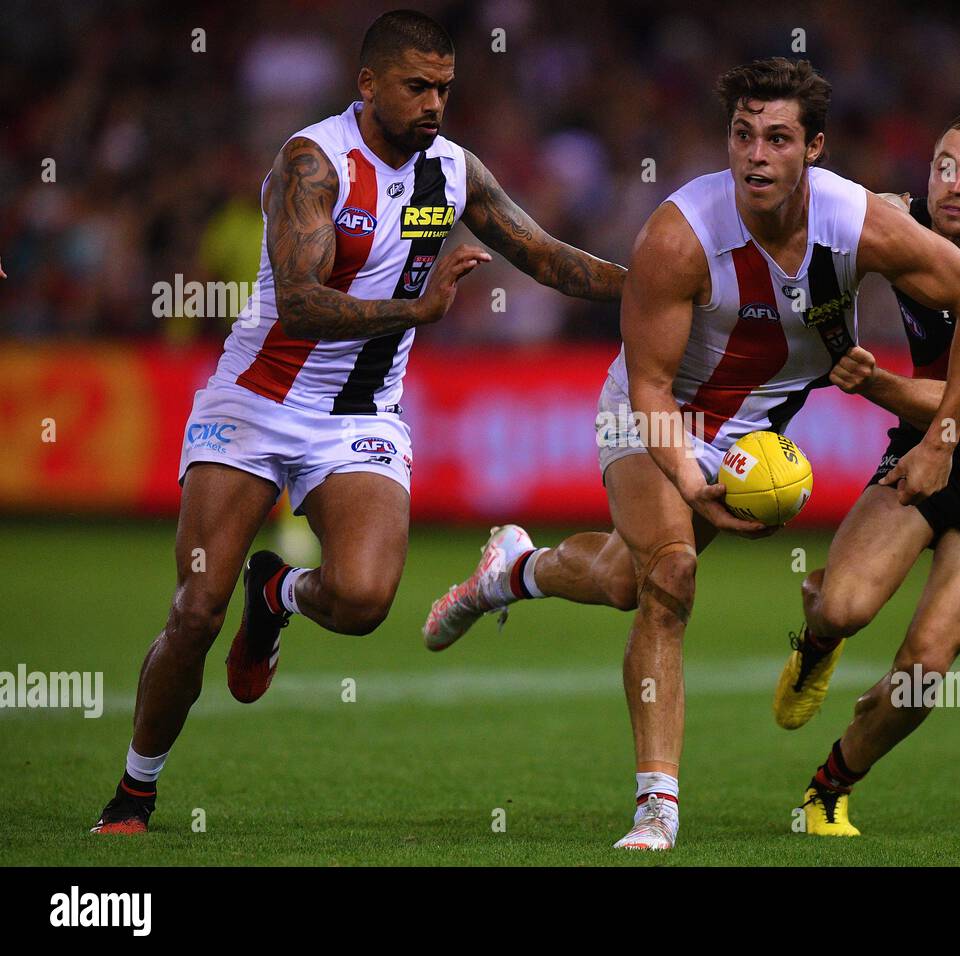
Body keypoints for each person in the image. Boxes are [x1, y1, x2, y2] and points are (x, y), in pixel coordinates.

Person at [422, 60, 960, 850]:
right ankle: (657, 806)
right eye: (742, 135)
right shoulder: (678, 235)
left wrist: (943, 439)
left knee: (629, 582)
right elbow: (652, 388)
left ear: (815, 149)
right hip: (652, 412)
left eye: (777, 138)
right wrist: (694, 484)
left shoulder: (857, 221)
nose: (756, 156)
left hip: (753, 432)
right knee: (671, 576)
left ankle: (515, 569)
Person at [91, 10, 625, 834]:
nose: (435, 105)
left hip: (358, 415)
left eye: (445, 88)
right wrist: (418, 307)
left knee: (366, 598)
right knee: (197, 608)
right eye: (417, 87)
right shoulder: (313, 162)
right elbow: (300, 303)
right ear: (368, 84)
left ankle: (276, 593)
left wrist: (666, 282)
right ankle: (136, 790)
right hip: (256, 402)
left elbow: (548, 255)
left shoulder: (455, 172)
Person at [773, 112, 960, 836]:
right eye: (943, 165)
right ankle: (817, 642)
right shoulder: (893, 220)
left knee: (924, 667)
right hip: (921, 441)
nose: (954, 186)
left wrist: (867, 379)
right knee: (842, 609)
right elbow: (794, 225)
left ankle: (828, 788)